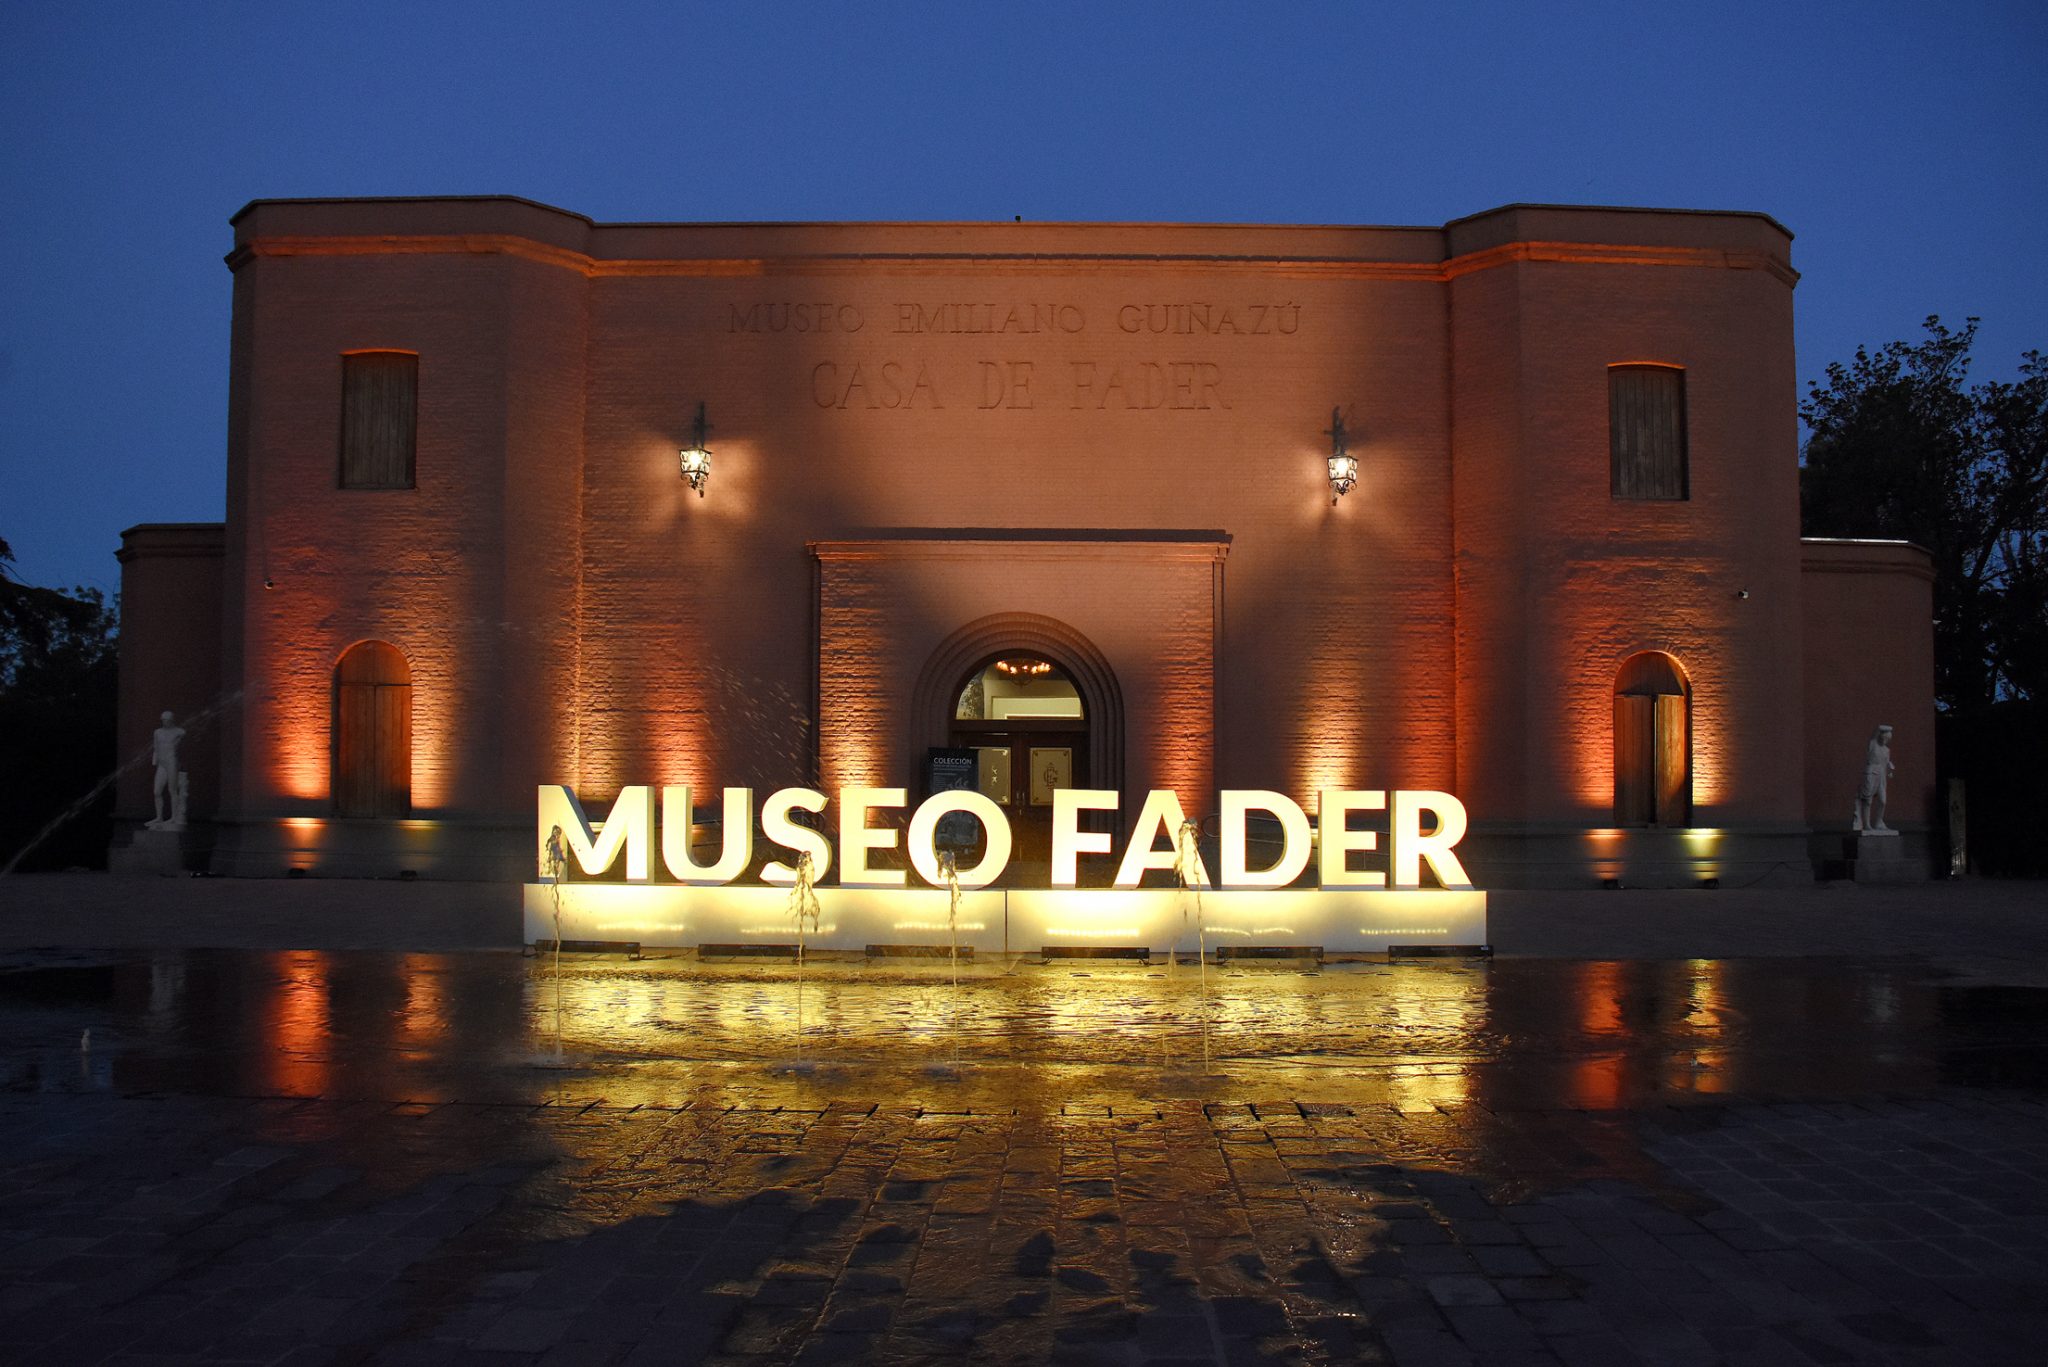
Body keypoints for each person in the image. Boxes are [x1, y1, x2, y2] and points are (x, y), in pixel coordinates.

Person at [1853, 724, 1895, 833]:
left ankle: (1879, 822)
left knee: (1883, 800)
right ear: (1881, 736)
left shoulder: (1887, 750)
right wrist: (1888, 728)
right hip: (1871, 772)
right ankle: (1867, 824)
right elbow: (1876, 731)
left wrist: (1889, 769)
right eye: (1885, 737)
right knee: (1868, 800)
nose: (1886, 740)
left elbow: (1886, 763)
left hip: (1881, 774)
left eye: (1888, 739)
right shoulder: (1873, 744)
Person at [148, 711, 186, 829]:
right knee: (157, 791)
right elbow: (155, 747)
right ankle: (159, 817)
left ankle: (174, 817)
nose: (165, 722)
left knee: (172, 790)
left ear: (172, 720)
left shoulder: (179, 731)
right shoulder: (157, 732)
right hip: (162, 764)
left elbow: (181, 742)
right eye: (163, 720)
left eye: (167, 720)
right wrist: (155, 762)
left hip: (171, 762)